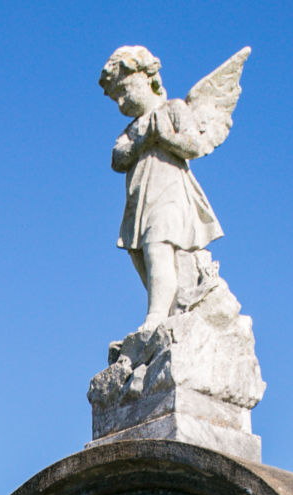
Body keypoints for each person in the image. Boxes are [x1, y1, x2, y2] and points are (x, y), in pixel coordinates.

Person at [100, 45, 233, 332]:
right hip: (140, 202)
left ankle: (157, 315)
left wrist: (163, 136)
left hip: (170, 194)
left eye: (124, 90)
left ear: (147, 77)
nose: (122, 101)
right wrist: (141, 142)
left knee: (157, 246)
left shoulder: (173, 109)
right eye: (116, 99)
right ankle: (169, 306)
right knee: (141, 255)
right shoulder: (132, 130)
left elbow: (194, 145)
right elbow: (117, 159)